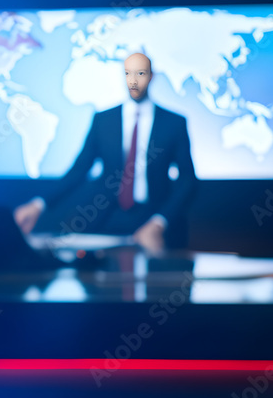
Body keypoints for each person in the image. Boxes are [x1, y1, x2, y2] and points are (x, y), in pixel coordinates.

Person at [13, 52, 196, 253]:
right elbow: (80, 170)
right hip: (106, 219)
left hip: (155, 221)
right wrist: (39, 205)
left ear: (152, 76)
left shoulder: (174, 123)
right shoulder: (104, 120)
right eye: (128, 73)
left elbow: (187, 179)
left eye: (140, 73)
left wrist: (160, 222)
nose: (133, 81)